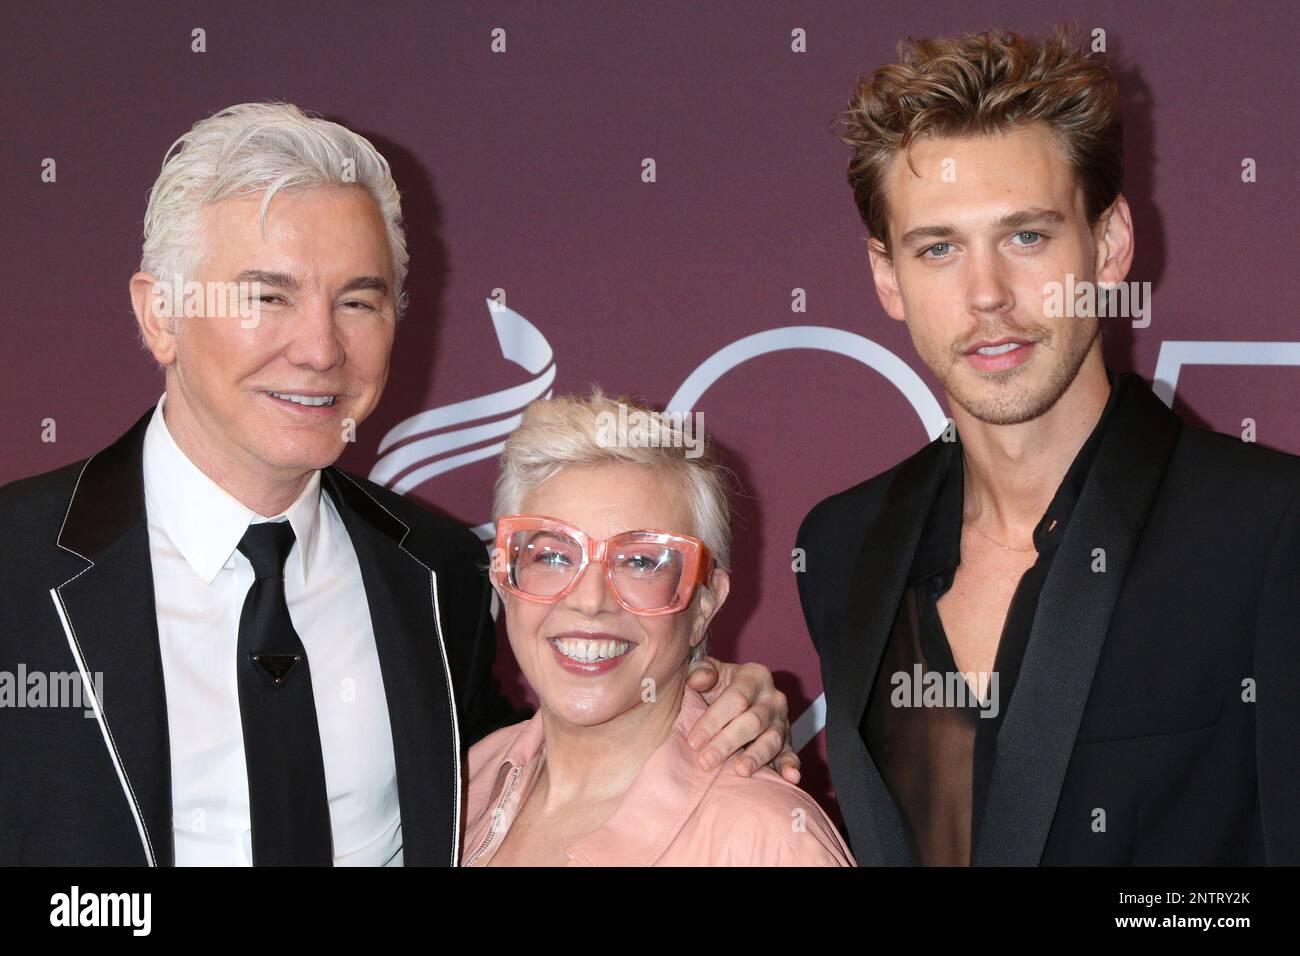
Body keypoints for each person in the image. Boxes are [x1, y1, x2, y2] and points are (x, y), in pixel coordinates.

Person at [0, 102, 797, 866]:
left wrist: (706, 693)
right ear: (160, 315)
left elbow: (537, 764)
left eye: (357, 301)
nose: (319, 348)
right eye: (268, 295)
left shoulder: (437, 573)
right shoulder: (16, 569)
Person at [796, 27, 1300, 865]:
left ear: (1108, 246)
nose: (986, 295)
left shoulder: (1270, 530)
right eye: (939, 249)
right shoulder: (842, 546)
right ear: (888, 278)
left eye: (1026, 237)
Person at [463, 390, 853, 866]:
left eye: (642, 561)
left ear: (704, 605)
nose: (590, 601)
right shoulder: (465, 784)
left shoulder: (767, 841)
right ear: (506, 583)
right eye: (552, 555)